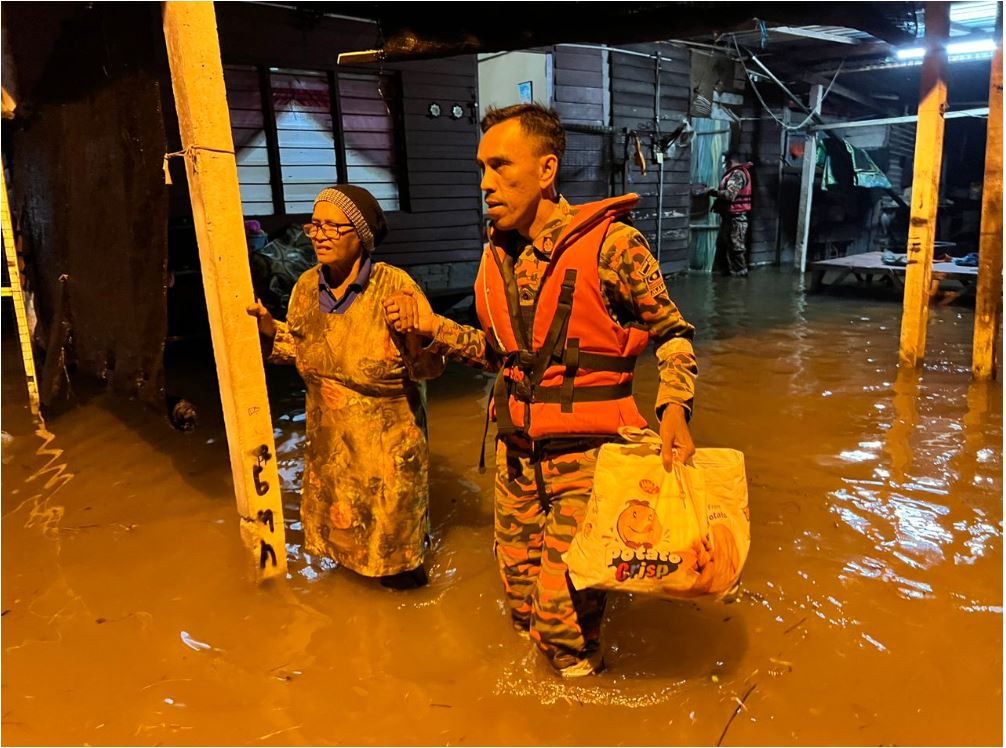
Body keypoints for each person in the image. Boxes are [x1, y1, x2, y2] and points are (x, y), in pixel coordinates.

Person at [383, 104, 697, 676]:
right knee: (522, 603)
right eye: (481, 168)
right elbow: (497, 356)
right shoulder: (498, 254)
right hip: (516, 459)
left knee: (563, 615)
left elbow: (672, 334)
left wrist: (674, 406)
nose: (486, 183)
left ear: (547, 169)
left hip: (591, 458)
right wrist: (435, 330)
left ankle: (587, 706)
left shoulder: (614, 247)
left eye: (501, 166)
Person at [247, 185, 445, 590]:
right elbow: (303, 350)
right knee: (343, 558)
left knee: (397, 566)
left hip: (386, 459)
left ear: (360, 236)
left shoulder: (395, 287)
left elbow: (429, 368)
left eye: (332, 227)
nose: (318, 235)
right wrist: (269, 330)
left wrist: (413, 335)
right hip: (331, 453)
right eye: (314, 225)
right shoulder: (305, 287)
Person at [708, 151, 753, 277]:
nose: (724, 166)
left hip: (737, 219)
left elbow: (730, 195)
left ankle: (740, 282)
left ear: (730, 161)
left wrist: (712, 192)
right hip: (729, 218)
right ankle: (727, 283)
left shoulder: (738, 174)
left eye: (725, 162)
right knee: (722, 248)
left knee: (735, 250)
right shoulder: (735, 173)